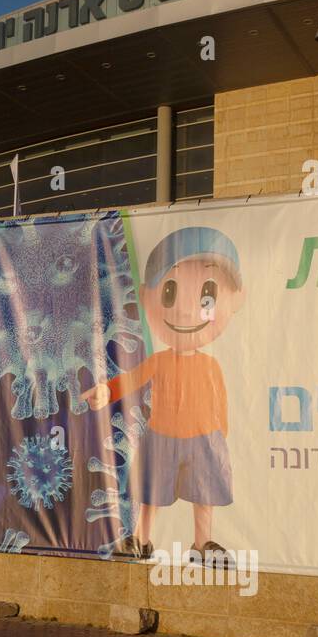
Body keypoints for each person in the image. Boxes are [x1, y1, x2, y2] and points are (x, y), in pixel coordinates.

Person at [81, 226, 246, 567]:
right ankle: (141, 539)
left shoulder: (211, 365)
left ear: (236, 299)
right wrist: (105, 390)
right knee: (151, 493)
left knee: (205, 493)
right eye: (169, 292)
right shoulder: (158, 362)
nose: (186, 311)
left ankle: (203, 543)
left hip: (204, 439)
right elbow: (131, 380)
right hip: (161, 437)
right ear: (147, 297)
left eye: (206, 297)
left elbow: (221, 402)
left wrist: (219, 436)